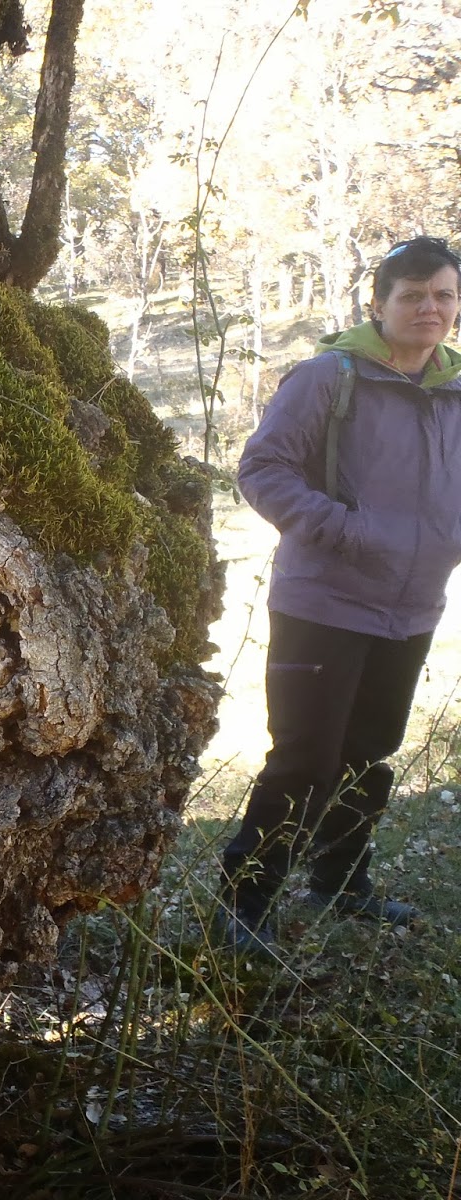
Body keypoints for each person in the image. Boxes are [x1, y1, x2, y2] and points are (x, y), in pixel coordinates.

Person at [218, 235, 461, 952]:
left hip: (412, 607)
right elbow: (262, 469)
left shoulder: (454, 391)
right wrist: (345, 532)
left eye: (443, 295)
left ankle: (340, 883)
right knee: (305, 758)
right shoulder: (330, 376)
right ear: (379, 305)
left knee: (371, 752)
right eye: (412, 295)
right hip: (323, 601)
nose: (429, 308)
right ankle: (243, 906)